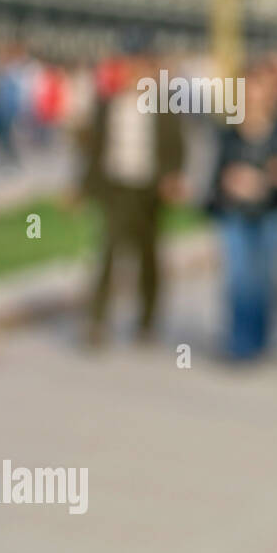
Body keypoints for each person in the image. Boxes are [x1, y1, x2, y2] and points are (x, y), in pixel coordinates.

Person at [77, 43, 186, 346]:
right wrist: (81, 187)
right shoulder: (107, 104)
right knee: (110, 249)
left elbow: (176, 146)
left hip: (149, 190)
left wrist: (173, 177)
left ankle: (147, 320)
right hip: (116, 187)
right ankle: (97, 320)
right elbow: (94, 149)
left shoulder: (163, 106)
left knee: (148, 254)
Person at [205, 66, 277, 361]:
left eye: (259, 90)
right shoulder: (227, 133)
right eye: (248, 90)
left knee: (264, 280)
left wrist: (274, 179)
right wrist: (230, 182)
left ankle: (261, 337)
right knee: (238, 279)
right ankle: (239, 341)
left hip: (271, 214)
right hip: (235, 213)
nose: (253, 96)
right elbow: (214, 175)